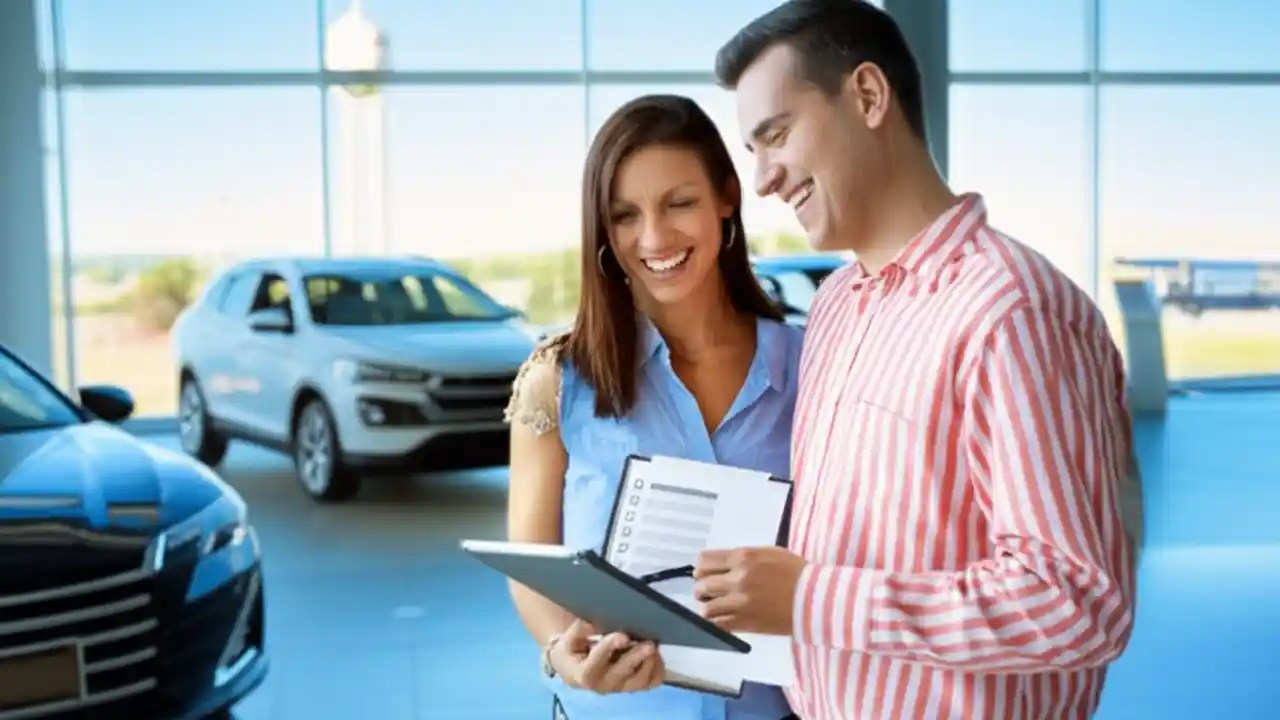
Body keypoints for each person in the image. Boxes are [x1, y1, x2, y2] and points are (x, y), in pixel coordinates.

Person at [691, 1, 1142, 718]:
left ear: (868, 96)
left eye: (776, 136)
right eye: (754, 151)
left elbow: (1074, 602)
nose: (766, 179)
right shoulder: (838, 304)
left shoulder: (1011, 312)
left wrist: (810, 597)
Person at [503, 93, 802, 720]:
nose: (655, 237)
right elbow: (532, 566)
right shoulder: (557, 379)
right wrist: (564, 654)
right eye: (625, 214)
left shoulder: (813, 366)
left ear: (727, 198)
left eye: (680, 203)